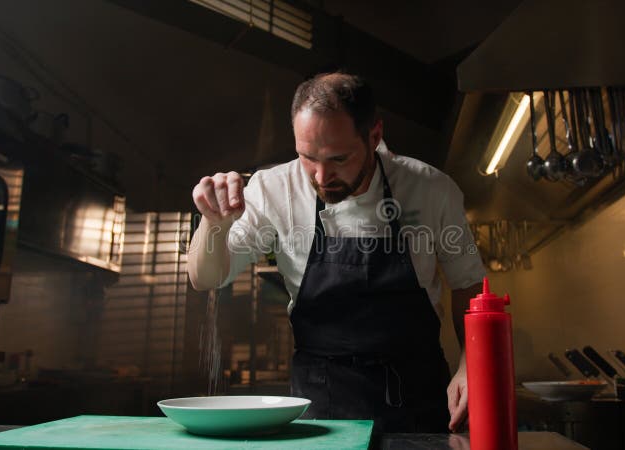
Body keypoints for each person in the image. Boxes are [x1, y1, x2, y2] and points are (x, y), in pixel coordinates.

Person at [187, 71, 485, 433]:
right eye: (307, 157)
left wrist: (473, 367)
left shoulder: (431, 189)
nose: (320, 176)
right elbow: (205, 278)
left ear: (374, 136)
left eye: (338, 159)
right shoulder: (273, 190)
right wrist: (213, 224)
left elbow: (469, 283)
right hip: (321, 399)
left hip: (419, 394)